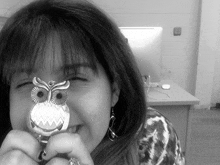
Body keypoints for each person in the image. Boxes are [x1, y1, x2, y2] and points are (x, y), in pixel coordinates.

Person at [0, 0, 185, 164]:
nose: (50, 106)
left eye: (75, 78)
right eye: (26, 83)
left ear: (114, 90)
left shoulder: (151, 139)